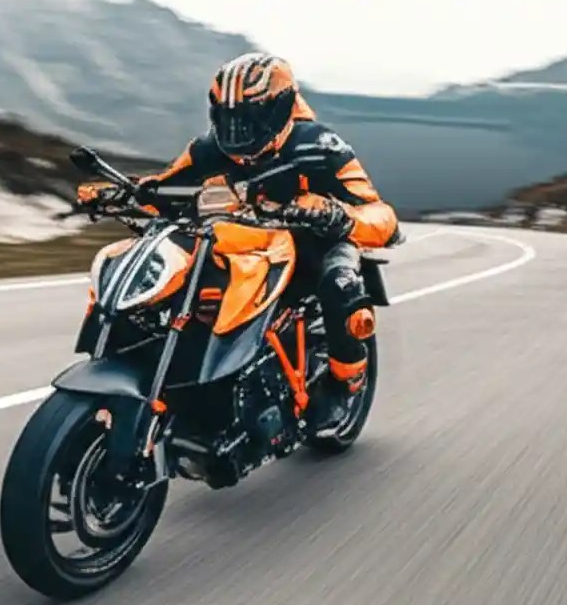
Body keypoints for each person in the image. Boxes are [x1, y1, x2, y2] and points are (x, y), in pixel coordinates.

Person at [132, 52, 402, 432]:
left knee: (340, 281)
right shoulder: (208, 149)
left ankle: (345, 382)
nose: (238, 132)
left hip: (314, 240)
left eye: (250, 119)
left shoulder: (321, 145)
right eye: (229, 119)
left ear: (281, 109)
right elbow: (162, 186)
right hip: (244, 242)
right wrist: (125, 192)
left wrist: (335, 214)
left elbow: (381, 215)